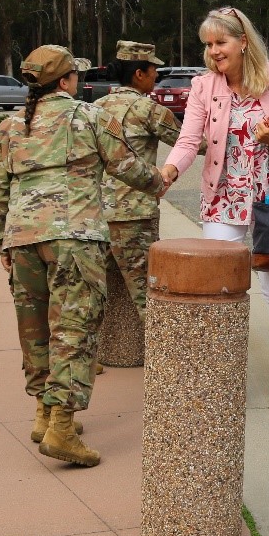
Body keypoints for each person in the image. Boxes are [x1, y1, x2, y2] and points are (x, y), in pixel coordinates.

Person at [0, 44, 163, 467]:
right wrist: (158, 181)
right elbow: (127, 166)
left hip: (23, 240)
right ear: (65, 81)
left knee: (35, 329)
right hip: (74, 239)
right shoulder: (88, 117)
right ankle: (62, 427)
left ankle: (43, 413)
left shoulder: (10, 125)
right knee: (73, 330)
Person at [158, 7, 269, 400]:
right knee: (217, 282)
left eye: (220, 42)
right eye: (207, 45)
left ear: (243, 41)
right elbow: (189, 139)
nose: (213, 52)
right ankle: (217, 363)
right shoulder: (204, 86)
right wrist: (170, 172)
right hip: (224, 193)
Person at [93, 40, 188, 329]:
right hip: (133, 215)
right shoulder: (148, 109)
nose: (156, 76)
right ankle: (165, 365)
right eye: (153, 70)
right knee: (149, 295)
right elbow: (190, 142)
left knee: (89, 294)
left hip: (94, 215)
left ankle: (86, 361)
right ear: (139, 74)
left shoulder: (95, 107)